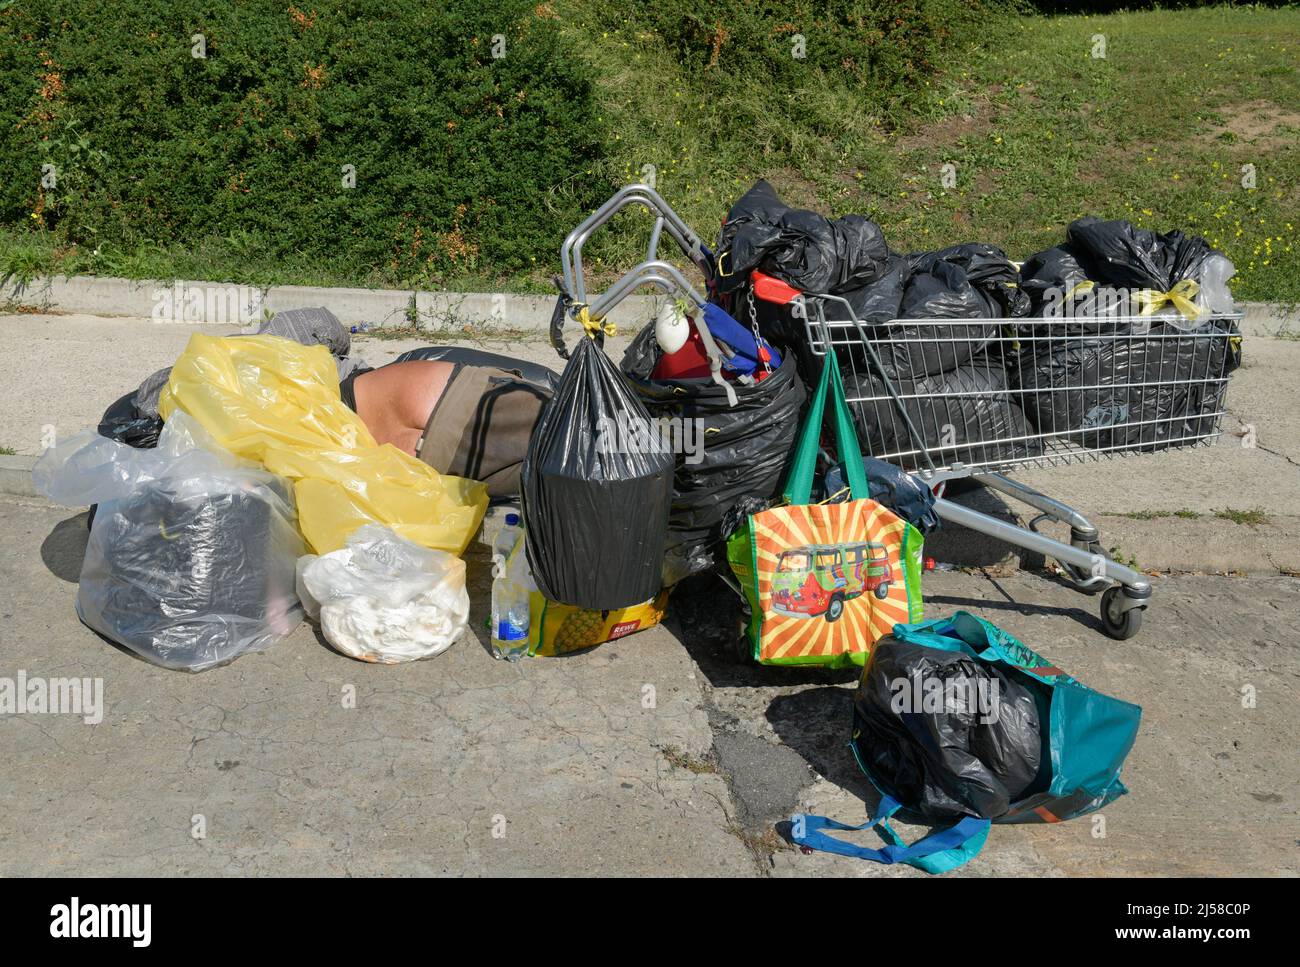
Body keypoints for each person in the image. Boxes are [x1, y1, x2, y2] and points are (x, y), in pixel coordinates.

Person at [339, 347, 556, 498]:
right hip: (445, 397)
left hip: (430, 449)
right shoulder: (316, 372)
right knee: (575, 437)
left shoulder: (314, 413)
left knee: (569, 453)